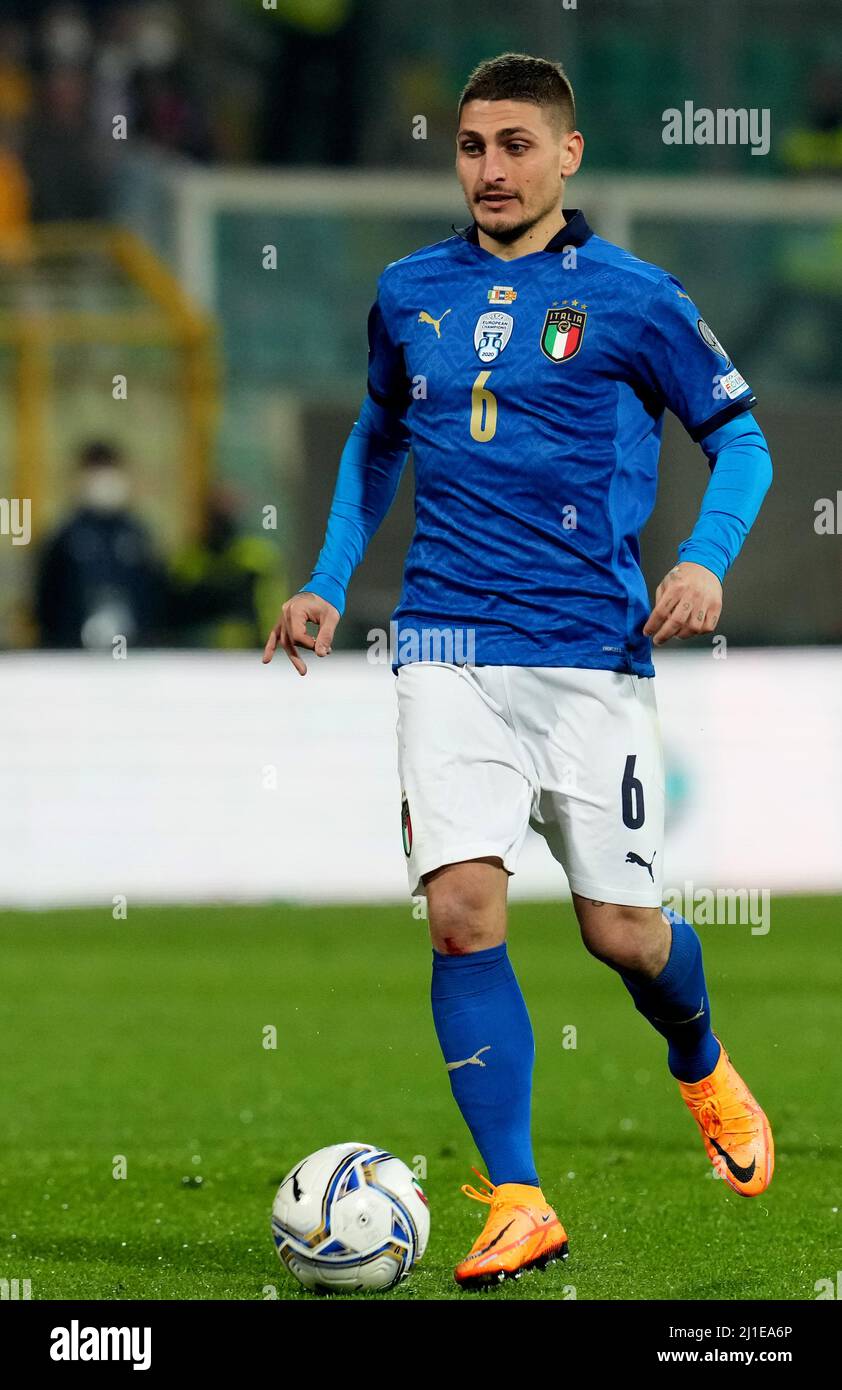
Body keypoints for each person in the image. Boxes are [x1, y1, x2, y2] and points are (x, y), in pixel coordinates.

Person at [263, 53, 774, 1289]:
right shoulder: (407, 292)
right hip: (443, 644)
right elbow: (374, 439)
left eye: (512, 146)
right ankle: (518, 1198)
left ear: (566, 154)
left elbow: (739, 441)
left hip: (592, 659)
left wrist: (704, 560)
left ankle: (698, 1058)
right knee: (460, 915)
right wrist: (329, 578)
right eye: (470, 146)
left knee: (622, 932)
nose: (488, 168)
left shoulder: (636, 297)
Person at [35, 440, 165, 648]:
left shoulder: (137, 533)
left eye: (109, 470)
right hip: (73, 652)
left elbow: (156, 594)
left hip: (135, 651)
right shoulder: (65, 536)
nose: (104, 481)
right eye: (96, 471)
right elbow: (47, 599)